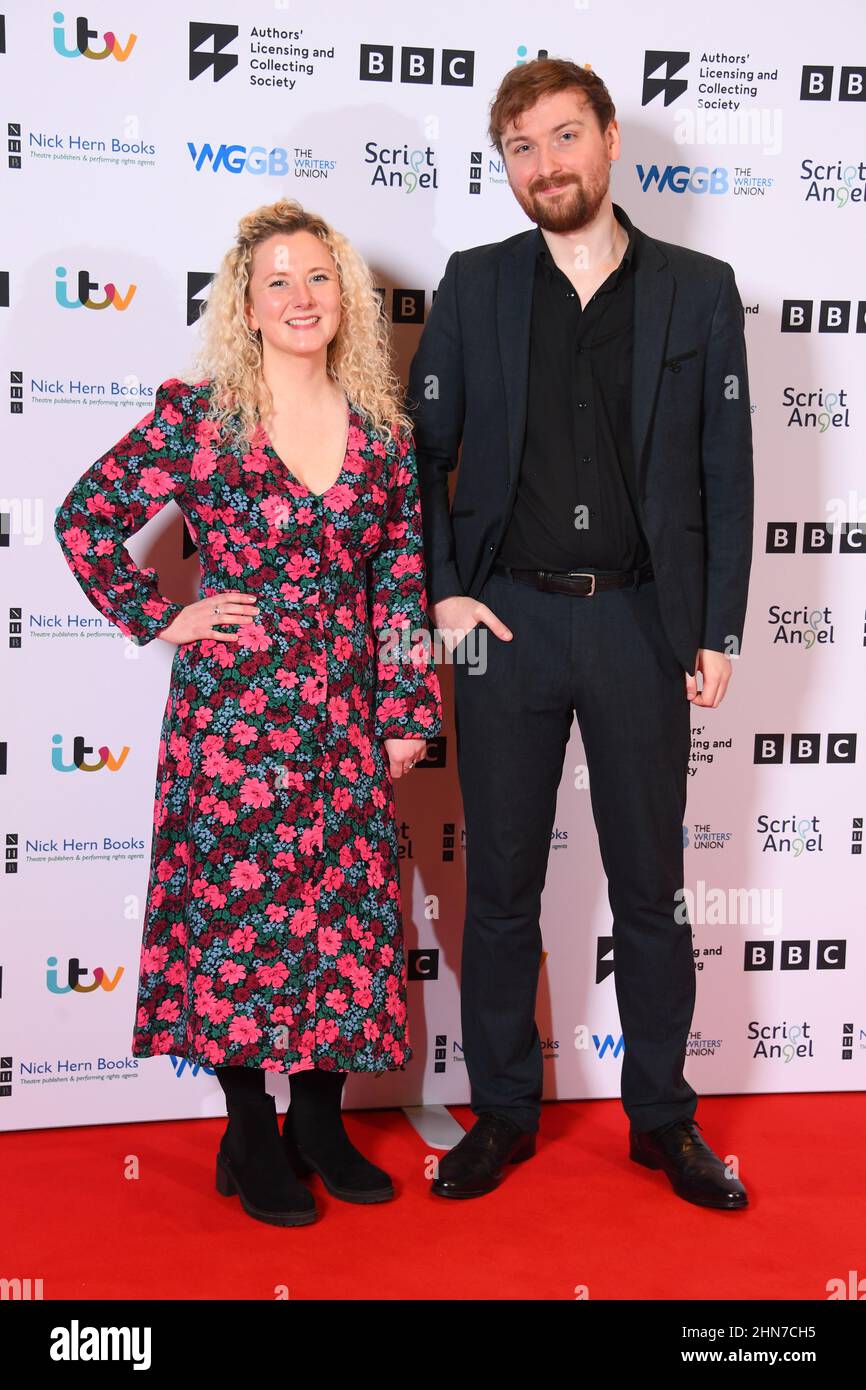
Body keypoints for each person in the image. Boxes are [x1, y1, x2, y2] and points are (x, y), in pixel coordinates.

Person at [54, 197, 442, 1226]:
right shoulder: (198, 417)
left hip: (344, 718)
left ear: (344, 297)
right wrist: (164, 615)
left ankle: (317, 1121)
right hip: (230, 723)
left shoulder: (381, 435)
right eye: (278, 279)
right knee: (232, 923)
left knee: (340, 921)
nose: (300, 296)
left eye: (317, 277)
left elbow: (400, 587)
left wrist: (407, 707)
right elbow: (86, 518)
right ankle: (244, 1126)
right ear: (247, 302)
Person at [408, 58, 753, 1209]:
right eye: (520, 147)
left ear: (608, 139)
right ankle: (502, 1109)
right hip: (500, 622)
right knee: (497, 887)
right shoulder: (473, 283)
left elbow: (723, 471)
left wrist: (715, 627)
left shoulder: (698, 291)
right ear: (503, 166)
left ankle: (661, 1117)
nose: (544, 163)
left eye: (562, 137)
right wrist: (444, 592)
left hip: (640, 625)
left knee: (649, 889)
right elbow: (421, 454)